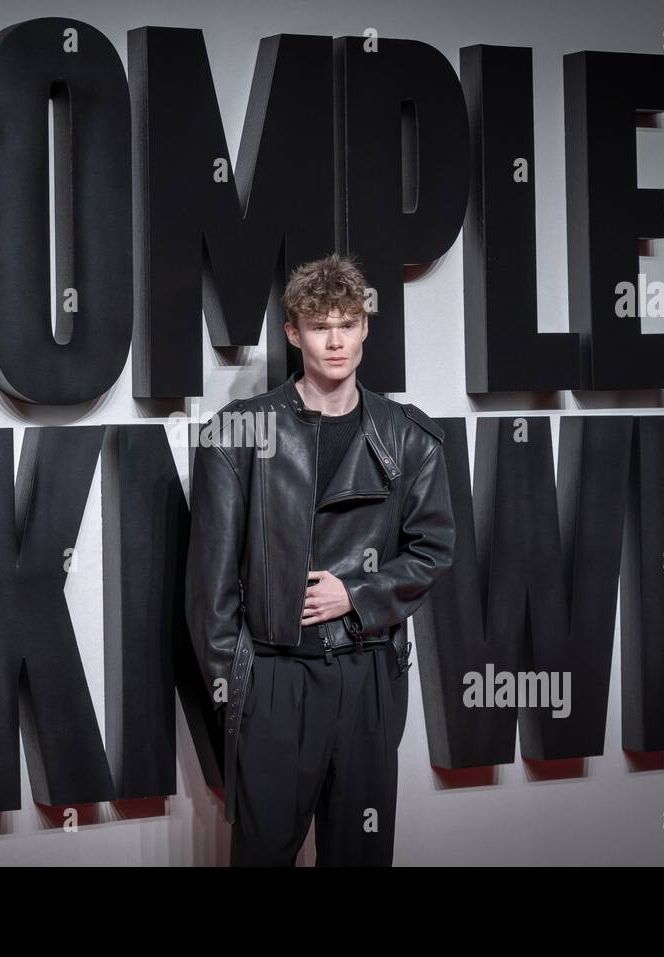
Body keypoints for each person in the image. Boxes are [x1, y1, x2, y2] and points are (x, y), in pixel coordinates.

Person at [185, 252, 456, 866]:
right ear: (294, 334)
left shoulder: (410, 435)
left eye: (346, 323)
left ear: (365, 328)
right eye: (319, 325)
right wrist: (240, 694)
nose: (335, 340)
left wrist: (356, 595)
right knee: (262, 854)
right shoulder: (238, 434)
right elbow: (210, 588)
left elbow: (434, 550)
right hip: (276, 680)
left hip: (367, 679)